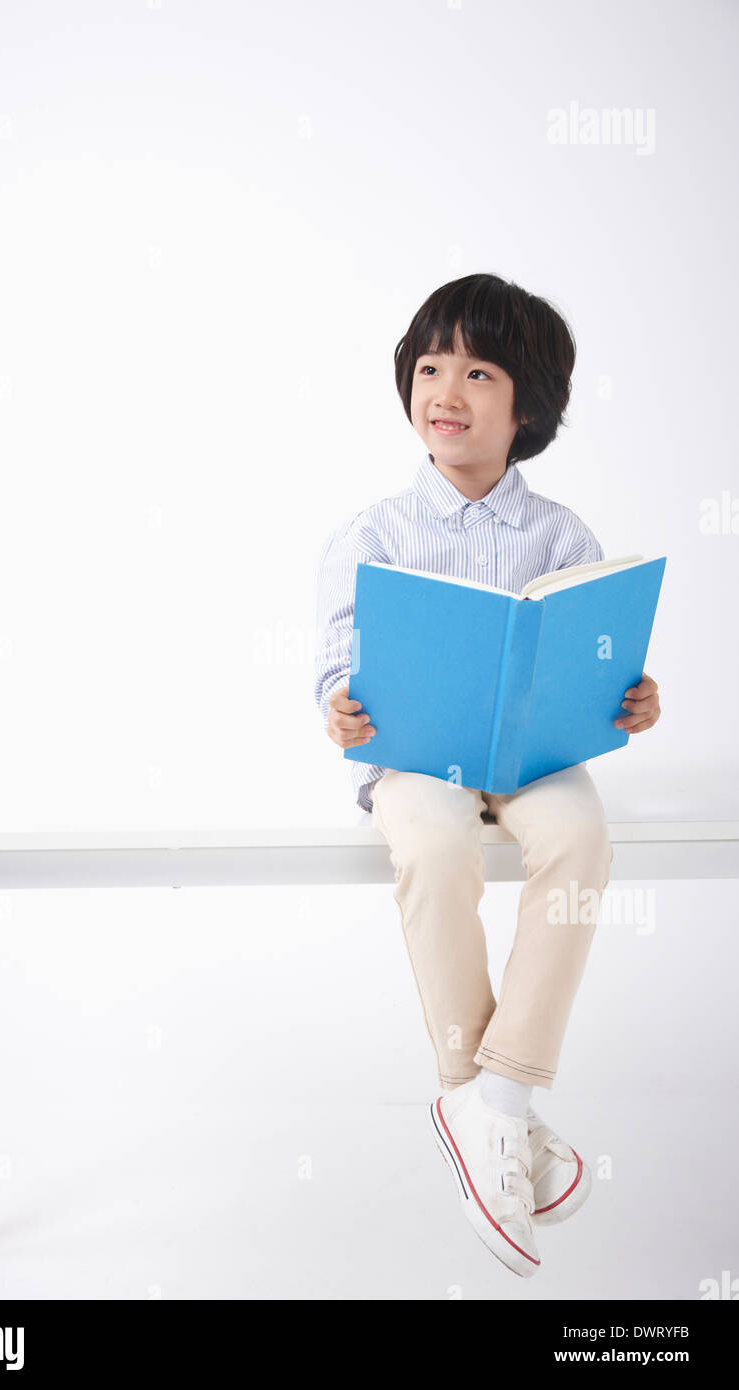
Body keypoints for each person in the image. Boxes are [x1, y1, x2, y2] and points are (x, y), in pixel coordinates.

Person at [312, 273, 661, 1278]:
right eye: (428, 367)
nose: (444, 389)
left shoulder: (561, 538)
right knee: (430, 842)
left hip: (529, 759)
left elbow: (597, 662)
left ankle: (490, 1101)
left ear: (528, 405)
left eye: (475, 370)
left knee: (580, 839)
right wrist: (338, 702)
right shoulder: (369, 534)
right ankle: (481, 1095)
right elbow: (339, 662)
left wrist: (630, 699)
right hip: (417, 753)